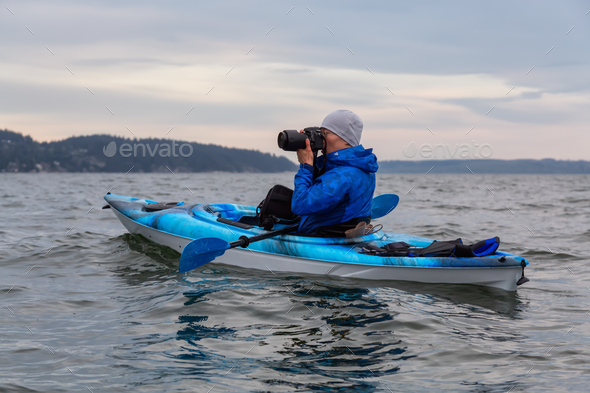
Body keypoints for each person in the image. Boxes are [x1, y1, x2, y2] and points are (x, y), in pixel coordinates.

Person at [291, 110, 378, 235]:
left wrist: (306, 168)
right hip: (338, 234)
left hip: (321, 240)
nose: (322, 139)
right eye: (320, 133)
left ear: (346, 140)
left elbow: (300, 205)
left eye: (325, 133)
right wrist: (312, 157)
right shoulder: (360, 167)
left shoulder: (341, 176)